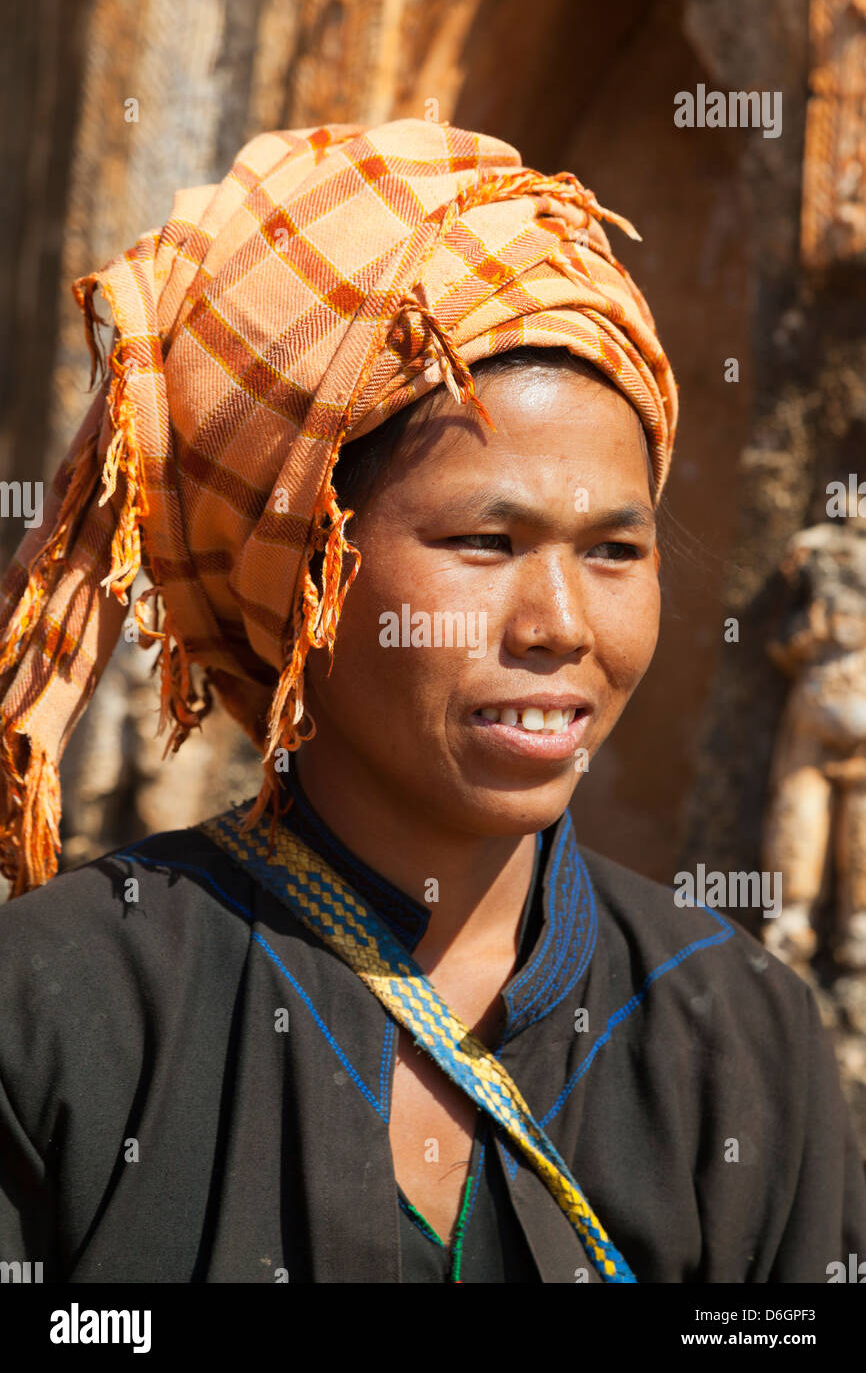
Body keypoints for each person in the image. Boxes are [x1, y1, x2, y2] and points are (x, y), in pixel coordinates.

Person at [0, 119, 863, 1284]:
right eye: (483, 539)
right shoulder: (69, 1013)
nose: (559, 621)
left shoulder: (737, 1034)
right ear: (307, 563)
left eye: (615, 549)